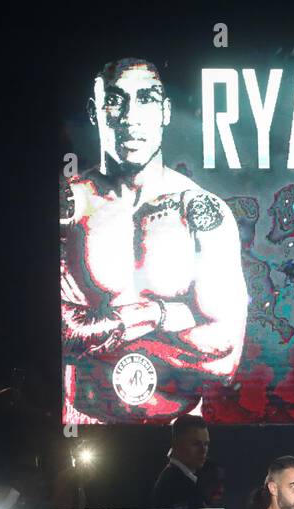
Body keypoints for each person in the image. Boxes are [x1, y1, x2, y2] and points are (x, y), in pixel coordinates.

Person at [61, 58, 248, 422]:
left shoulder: (201, 212)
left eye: (146, 98)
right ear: (94, 112)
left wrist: (127, 324)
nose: (131, 117)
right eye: (115, 100)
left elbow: (224, 357)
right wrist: (167, 316)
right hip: (80, 423)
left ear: (165, 111)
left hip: (178, 430)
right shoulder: (68, 209)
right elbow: (63, 335)